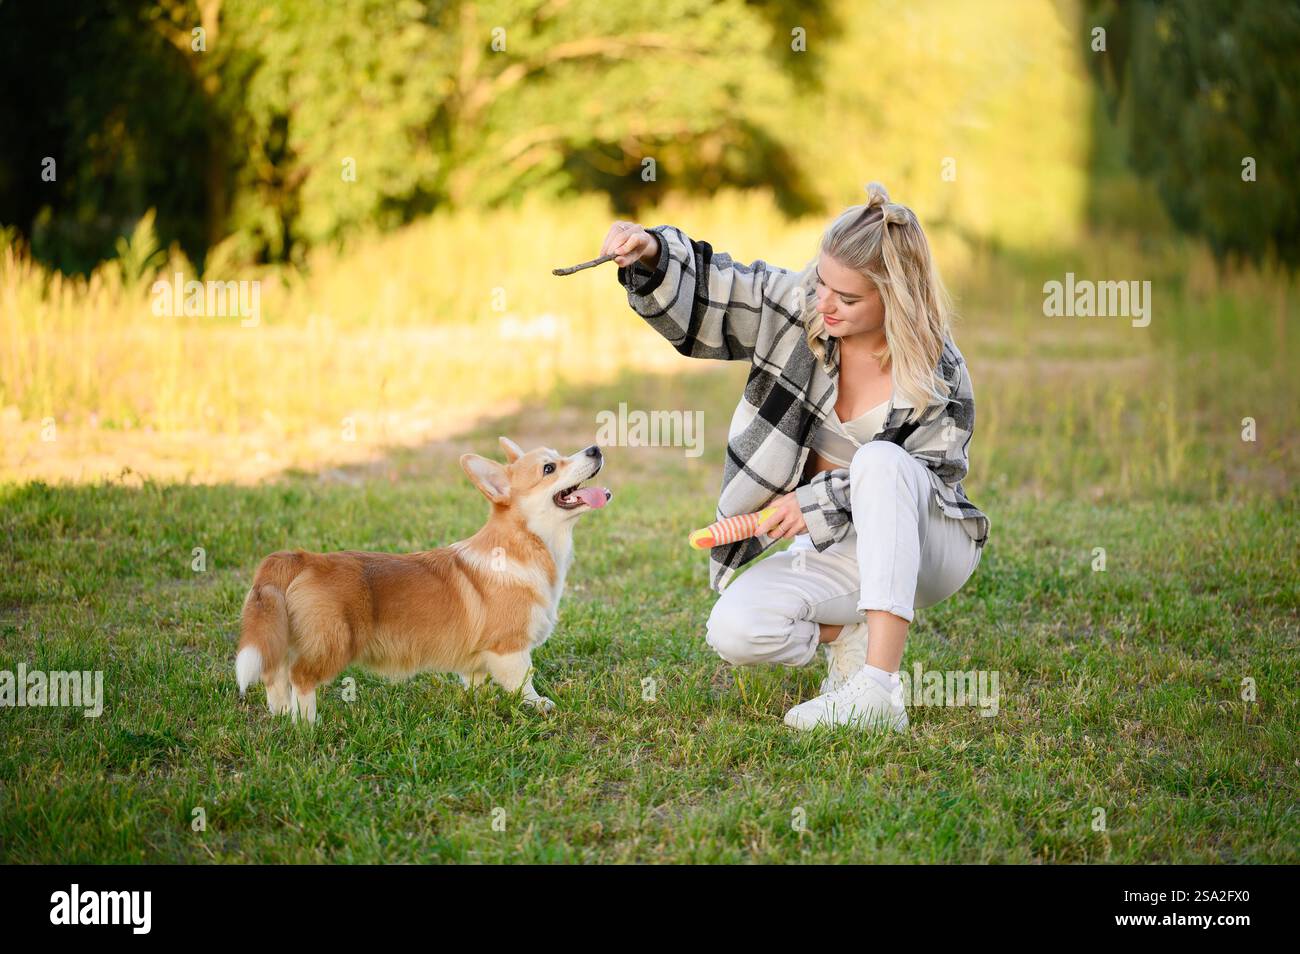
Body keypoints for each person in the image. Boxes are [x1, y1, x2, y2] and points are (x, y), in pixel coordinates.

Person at [604, 182, 989, 732]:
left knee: (880, 461)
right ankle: (853, 636)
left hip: (931, 547)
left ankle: (879, 691)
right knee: (735, 629)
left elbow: (929, 474)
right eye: (822, 282)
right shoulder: (797, 307)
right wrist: (652, 255)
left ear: (895, 299)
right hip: (837, 545)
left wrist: (816, 499)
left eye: (848, 299)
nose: (824, 304)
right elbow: (716, 290)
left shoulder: (936, 369)